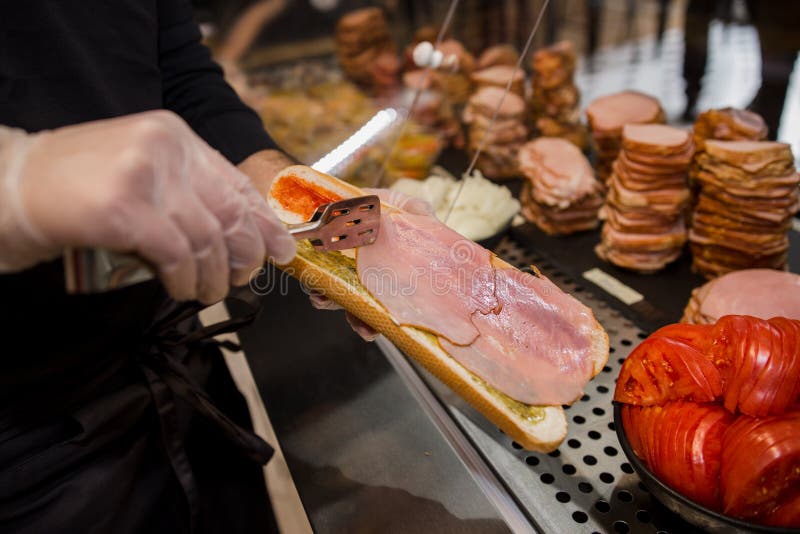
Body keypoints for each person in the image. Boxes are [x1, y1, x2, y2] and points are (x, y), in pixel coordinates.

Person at [0, 1, 358, 532]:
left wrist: (310, 203)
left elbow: (183, 76)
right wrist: (18, 178)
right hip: (24, 451)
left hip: (179, 365)